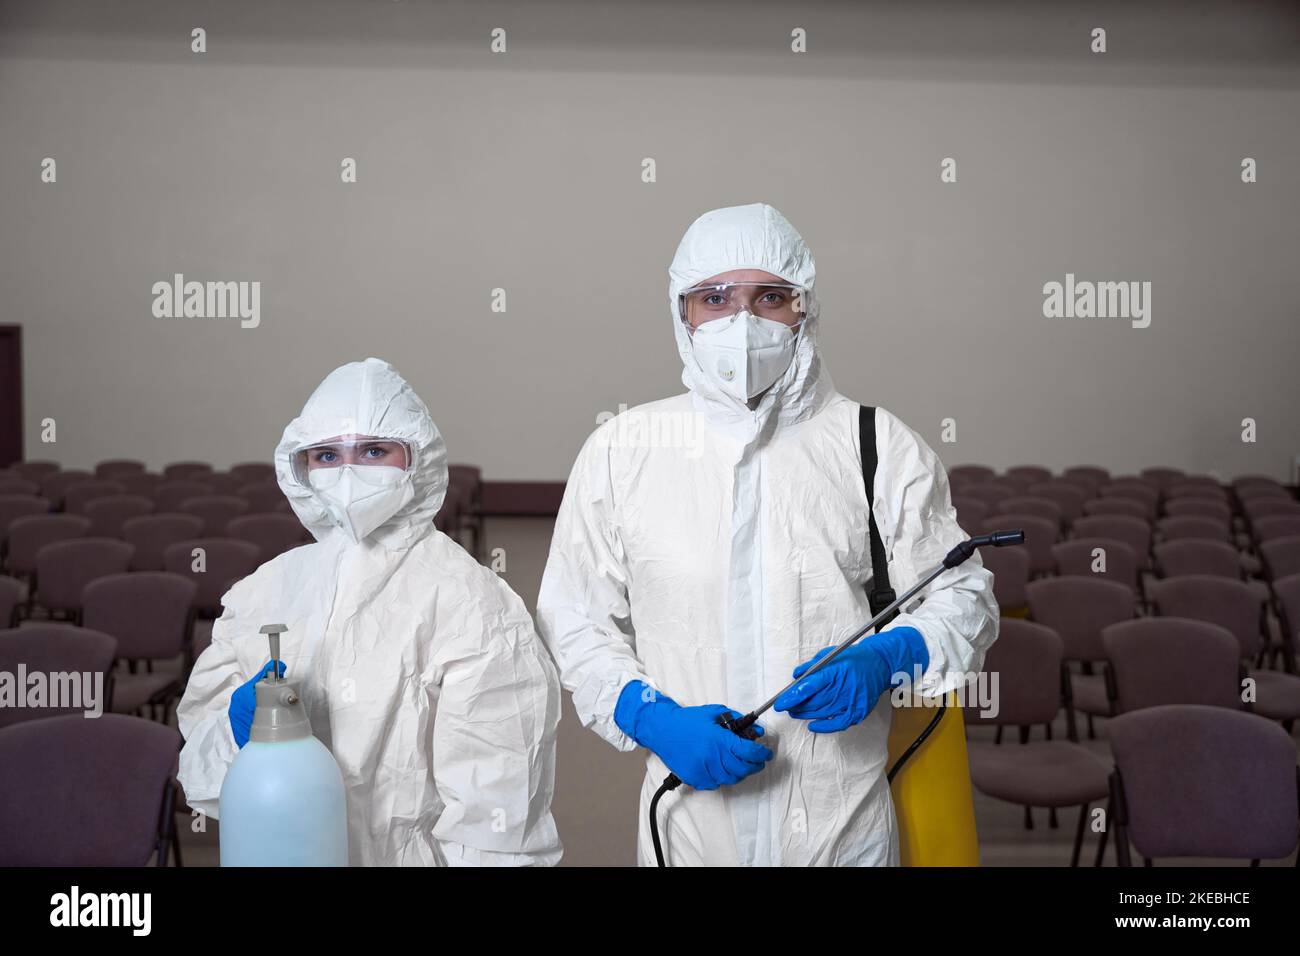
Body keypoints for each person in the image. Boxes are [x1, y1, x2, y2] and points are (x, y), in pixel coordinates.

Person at [536, 203, 997, 866]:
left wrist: (890, 655)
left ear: (804, 310)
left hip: (844, 826)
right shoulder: (623, 449)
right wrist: (647, 715)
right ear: (683, 313)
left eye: (769, 297)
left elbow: (966, 595)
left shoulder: (877, 445)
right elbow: (575, 617)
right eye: (715, 298)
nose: (742, 322)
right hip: (688, 825)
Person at [178, 358, 562, 866]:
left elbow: (498, 823)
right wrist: (233, 730)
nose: (350, 473)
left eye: (374, 451)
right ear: (301, 468)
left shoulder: (473, 603)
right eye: (327, 455)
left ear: (416, 461)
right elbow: (204, 778)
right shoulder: (267, 590)